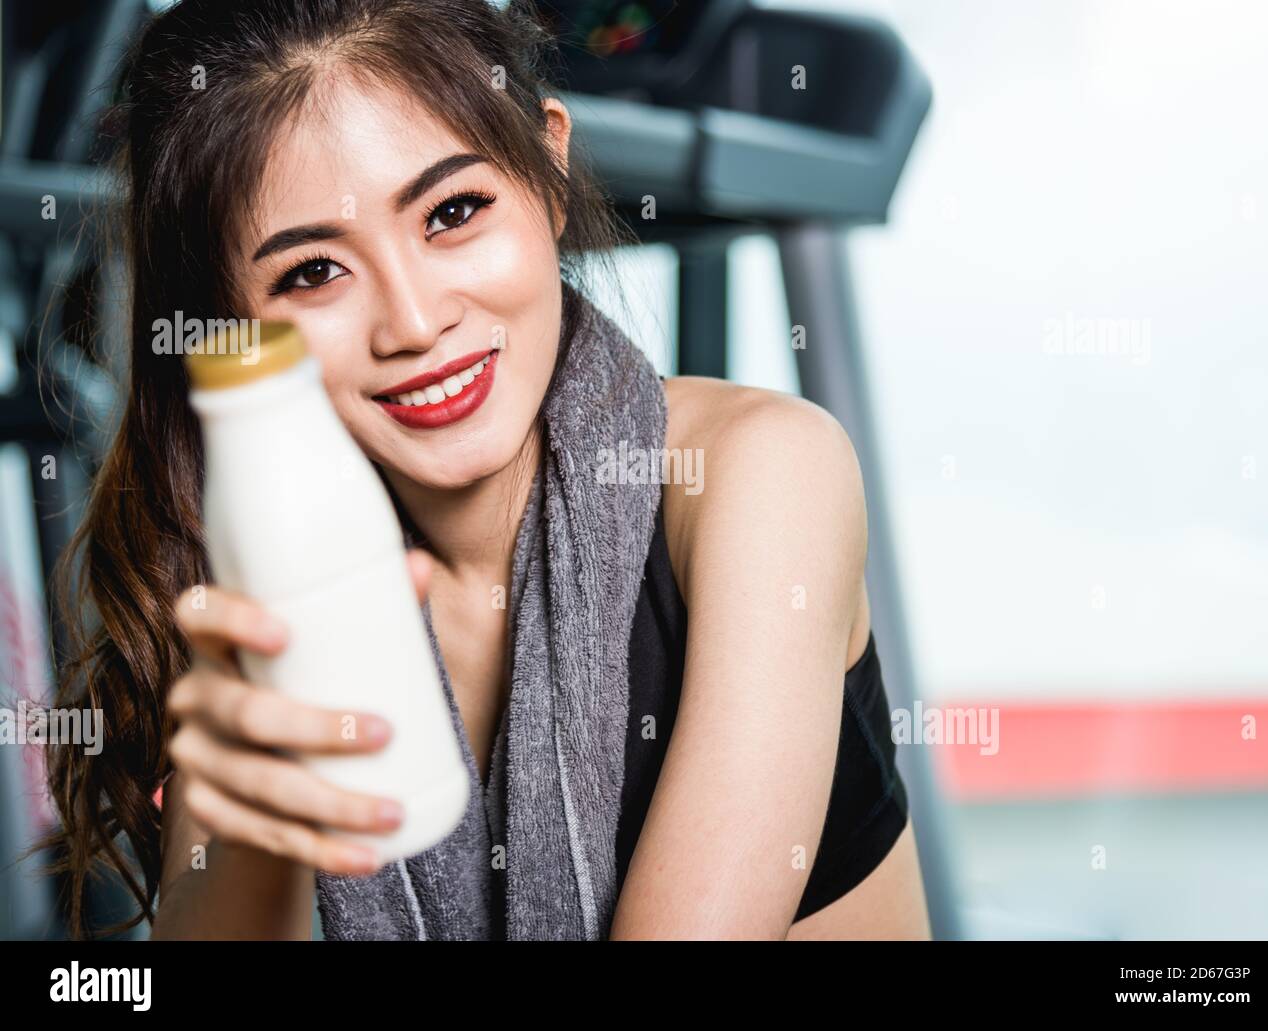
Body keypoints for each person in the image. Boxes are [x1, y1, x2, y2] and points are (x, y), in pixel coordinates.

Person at [35, 0, 931, 941]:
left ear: (547, 168)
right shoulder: (249, 590)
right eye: (312, 274)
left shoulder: (765, 473)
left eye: (453, 212)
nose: (415, 322)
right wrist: (253, 845)